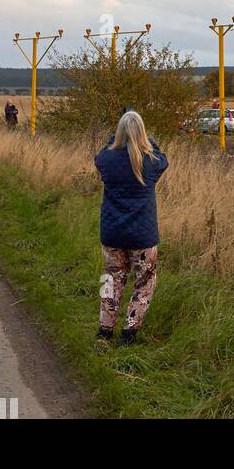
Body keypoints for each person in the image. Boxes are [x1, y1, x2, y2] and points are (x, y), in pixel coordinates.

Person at [94, 110, 168, 345]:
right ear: (143, 134)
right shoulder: (152, 162)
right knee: (144, 281)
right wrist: (149, 141)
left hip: (112, 233)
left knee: (111, 279)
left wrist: (113, 140)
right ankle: (129, 332)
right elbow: (162, 157)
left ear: (119, 133)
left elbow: (101, 155)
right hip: (142, 236)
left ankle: (105, 330)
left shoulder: (107, 160)